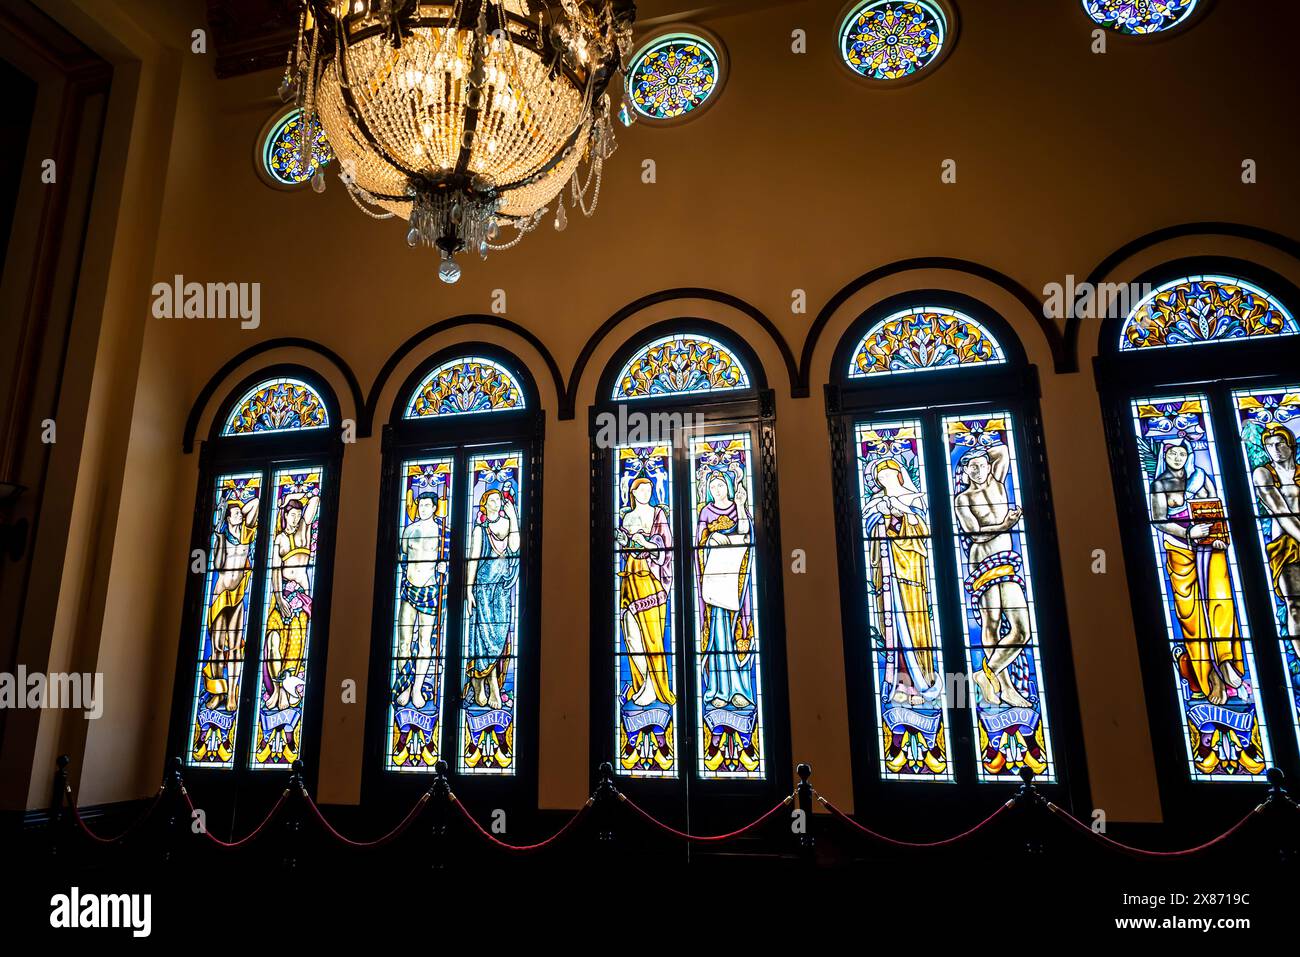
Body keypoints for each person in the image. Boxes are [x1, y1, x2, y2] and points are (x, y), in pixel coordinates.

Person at [1149, 437, 1263, 774]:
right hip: (1181, 553)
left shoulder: (1201, 477)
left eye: (1182, 451)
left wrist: (1213, 533)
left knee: (1221, 606)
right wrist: (1188, 534)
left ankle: (1226, 663)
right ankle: (1205, 675)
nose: (1178, 456)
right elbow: (1157, 521)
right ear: (1164, 456)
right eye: (1171, 452)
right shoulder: (1159, 484)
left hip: (1210, 551)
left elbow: (1214, 509)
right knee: (1190, 616)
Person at [953, 444, 1046, 775]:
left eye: (980, 465)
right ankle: (1002, 687)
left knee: (1022, 630)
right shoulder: (962, 499)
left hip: (1007, 559)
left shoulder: (1000, 482)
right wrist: (1006, 524)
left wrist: (977, 440)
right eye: (970, 468)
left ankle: (986, 672)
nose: (977, 471)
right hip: (983, 561)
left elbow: (1004, 449)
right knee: (991, 624)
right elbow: (975, 532)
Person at [863, 458, 946, 775]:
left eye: (888, 474)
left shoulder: (916, 500)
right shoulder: (876, 503)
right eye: (879, 476)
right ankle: (899, 688)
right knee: (893, 636)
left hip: (912, 581)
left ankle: (922, 685)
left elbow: (924, 533)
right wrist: (882, 521)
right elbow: (869, 534)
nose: (884, 479)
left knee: (917, 634)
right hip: (889, 581)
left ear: (899, 474)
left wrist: (901, 517)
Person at [696, 467, 759, 773]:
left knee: (736, 637)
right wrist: (712, 539)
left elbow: (747, 533)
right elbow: (697, 543)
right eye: (713, 484)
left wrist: (744, 505)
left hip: (737, 581)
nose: (718, 488)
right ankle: (718, 690)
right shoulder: (706, 512)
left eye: (722, 484)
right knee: (719, 636)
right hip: (714, 584)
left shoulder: (738, 506)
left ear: (729, 486)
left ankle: (739, 690)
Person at [616, 477, 676, 772]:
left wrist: (644, 541)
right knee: (630, 632)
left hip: (652, 579)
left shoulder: (659, 515)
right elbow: (623, 543)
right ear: (632, 492)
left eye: (649, 488)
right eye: (640, 488)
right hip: (630, 574)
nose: (645, 491)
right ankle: (642, 684)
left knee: (652, 635)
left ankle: (655, 686)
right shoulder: (626, 516)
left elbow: (665, 549)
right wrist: (624, 540)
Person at [195, 491, 259, 762]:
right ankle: (217, 694)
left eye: (239, 514)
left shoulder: (247, 534)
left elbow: (256, 504)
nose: (238, 516)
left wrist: (239, 500)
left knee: (235, 647)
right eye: (234, 514)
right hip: (221, 595)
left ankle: (233, 694)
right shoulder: (221, 538)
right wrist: (222, 509)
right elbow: (219, 564)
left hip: (240, 595)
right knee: (217, 646)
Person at [257, 489, 319, 765]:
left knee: (295, 650)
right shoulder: (279, 539)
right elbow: (272, 570)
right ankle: (274, 693)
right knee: (273, 644)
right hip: (281, 598)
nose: (294, 519)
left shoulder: (305, 530)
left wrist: (305, 494)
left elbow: (315, 503)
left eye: (297, 514)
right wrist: (280, 598)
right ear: (283, 515)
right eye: (290, 514)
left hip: (302, 600)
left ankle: (285, 697)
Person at [464, 488, 520, 768]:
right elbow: (473, 558)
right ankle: (489, 687)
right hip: (484, 590)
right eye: (491, 501)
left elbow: (516, 547)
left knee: (499, 638)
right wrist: (469, 588)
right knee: (481, 639)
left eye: (500, 500)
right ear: (485, 506)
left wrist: (515, 517)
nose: (496, 503)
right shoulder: (479, 530)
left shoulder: (508, 524)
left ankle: (488, 684)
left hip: (501, 592)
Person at [1254, 425, 1300, 662]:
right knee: (1295, 604)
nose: (1275, 450)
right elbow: (1280, 511)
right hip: (1285, 545)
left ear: (1290, 444)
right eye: (1270, 446)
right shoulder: (1263, 474)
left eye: (1280, 443)